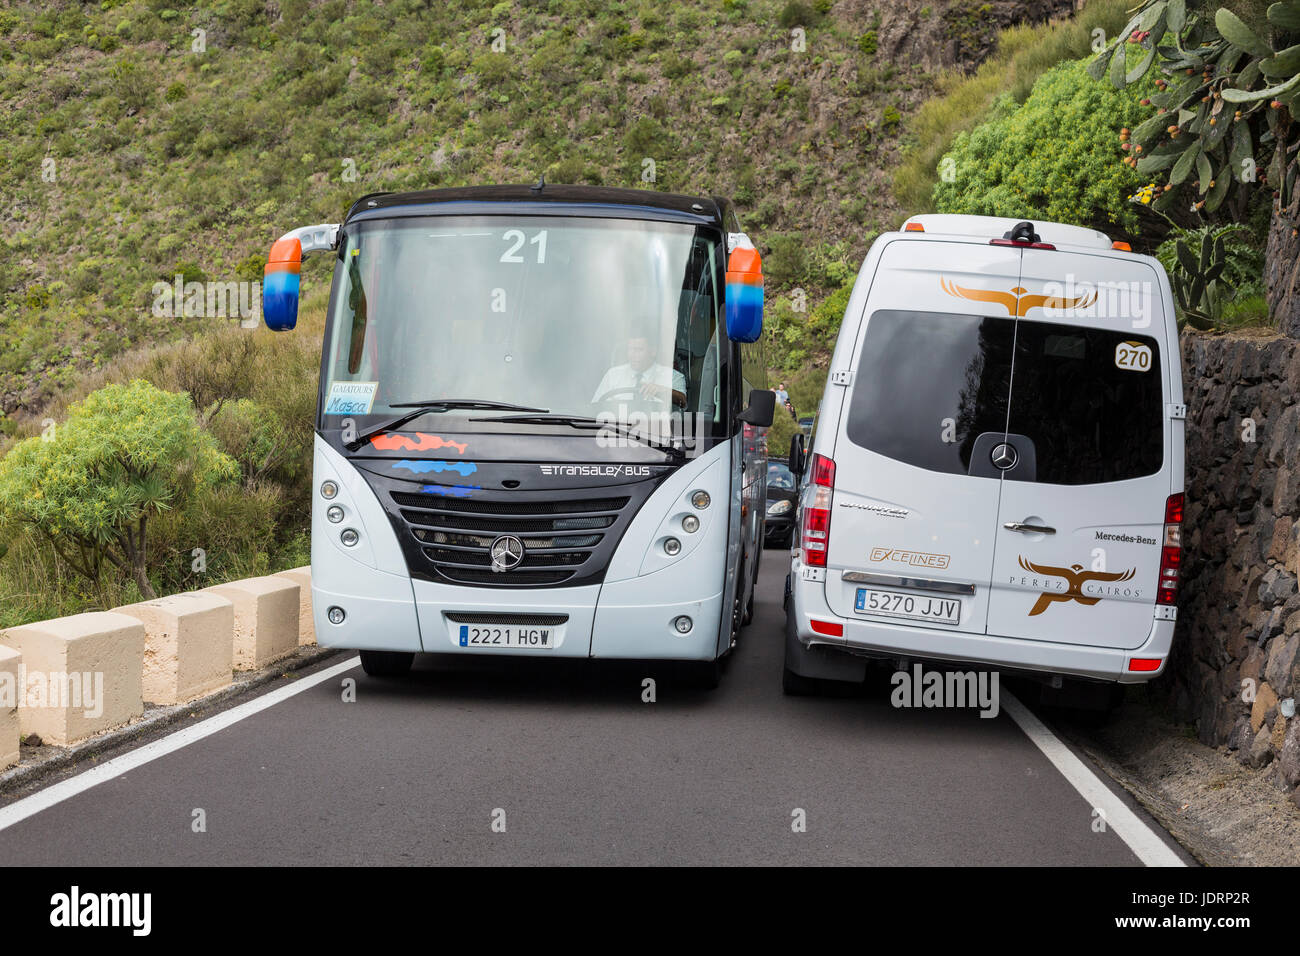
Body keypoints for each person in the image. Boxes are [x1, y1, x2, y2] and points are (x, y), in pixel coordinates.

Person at [592, 330, 686, 407]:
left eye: (639, 350)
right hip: (616, 428)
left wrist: (663, 391)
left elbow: (683, 403)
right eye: (630, 349)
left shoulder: (671, 377)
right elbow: (595, 408)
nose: (632, 355)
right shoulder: (613, 375)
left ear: (653, 351)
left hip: (656, 429)